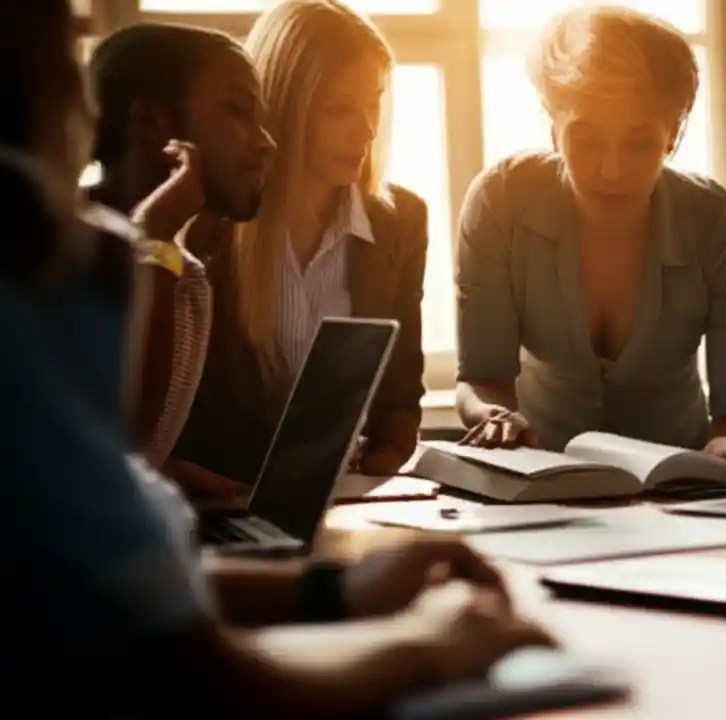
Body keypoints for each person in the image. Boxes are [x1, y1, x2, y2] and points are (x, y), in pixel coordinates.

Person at [1, 3, 550, 716]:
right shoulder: (51, 281)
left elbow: (117, 577)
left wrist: (339, 588)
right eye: (71, 53)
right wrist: (428, 646)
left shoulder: (105, 265)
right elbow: (201, 672)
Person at [454, 5, 726, 459]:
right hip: (537, 482)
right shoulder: (500, 202)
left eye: (640, 142)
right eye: (586, 138)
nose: (612, 169)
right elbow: (483, 380)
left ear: (673, 133)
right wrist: (495, 419)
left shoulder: (720, 226)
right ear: (553, 124)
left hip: (682, 490)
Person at [173, 0, 429, 484]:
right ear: (281, 108)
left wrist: (383, 461)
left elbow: (399, 399)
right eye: (338, 110)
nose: (368, 129)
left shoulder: (401, 222)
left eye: (373, 101)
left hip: (345, 500)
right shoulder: (207, 226)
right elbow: (174, 418)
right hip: (218, 506)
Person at [87, 23, 277, 499]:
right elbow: (121, 434)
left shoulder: (178, 262)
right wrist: (152, 236)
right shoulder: (61, 256)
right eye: (238, 112)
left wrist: (166, 475)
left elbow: (124, 450)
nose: (265, 143)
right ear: (151, 123)